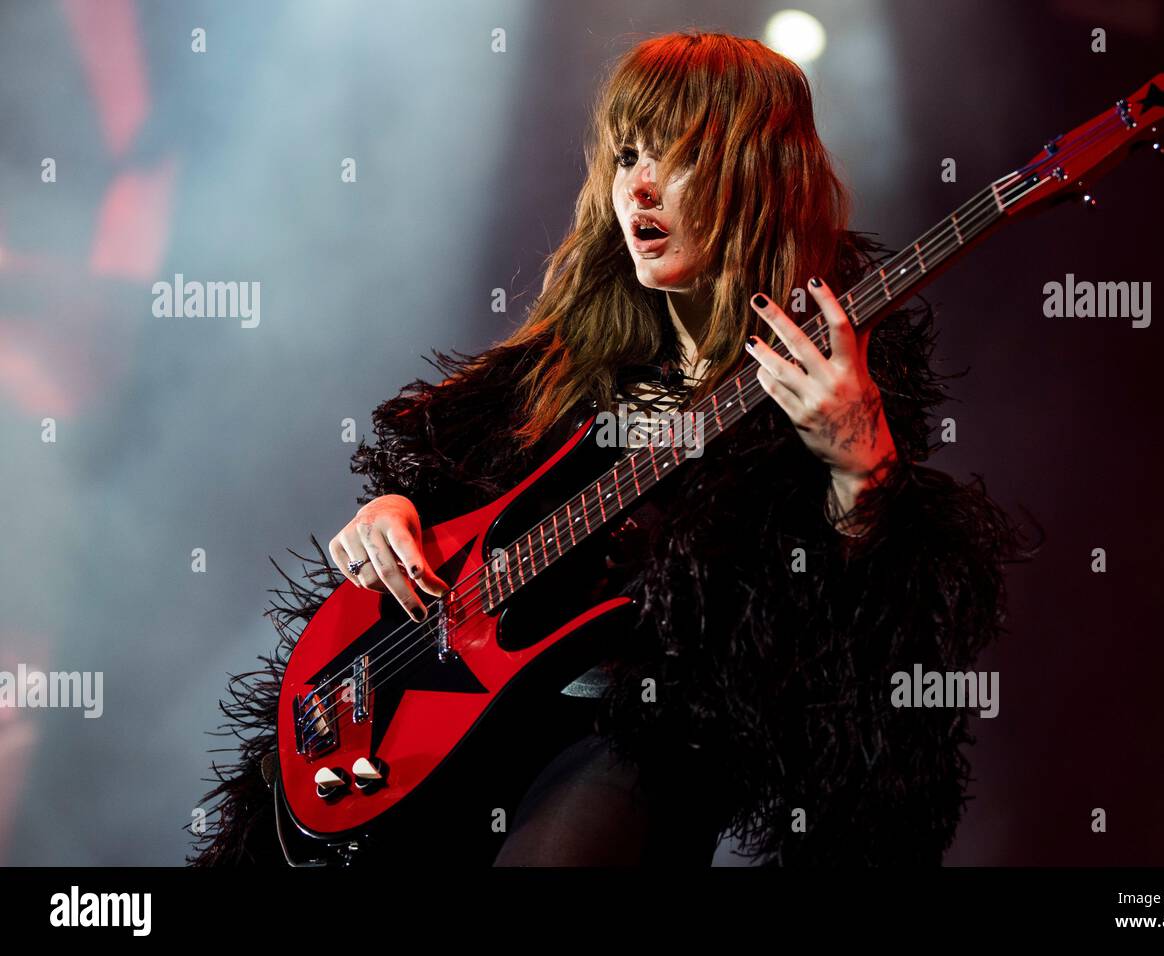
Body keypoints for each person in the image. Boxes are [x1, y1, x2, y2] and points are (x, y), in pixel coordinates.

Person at [191, 30, 1033, 868]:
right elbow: (463, 494)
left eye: (677, 154)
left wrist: (861, 471)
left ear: (761, 173)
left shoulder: (836, 382)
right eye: (627, 153)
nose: (639, 183)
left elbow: (862, 678)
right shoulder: (567, 362)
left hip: (633, 736)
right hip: (458, 715)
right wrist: (399, 512)